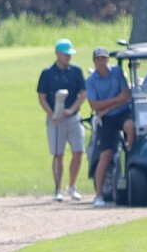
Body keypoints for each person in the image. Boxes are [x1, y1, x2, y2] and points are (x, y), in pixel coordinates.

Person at [35, 39, 86, 201]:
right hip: (55, 120)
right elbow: (42, 97)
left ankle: (72, 186)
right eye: (66, 54)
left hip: (73, 117)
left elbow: (83, 93)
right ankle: (57, 189)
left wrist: (71, 109)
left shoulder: (76, 71)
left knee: (78, 151)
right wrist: (52, 114)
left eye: (70, 54)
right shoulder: (47, 73)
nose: (68, 57)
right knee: (58, 154)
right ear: (57, 54)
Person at [85, 46, 133, 207]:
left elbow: (126, 95)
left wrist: (108, 107)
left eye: (104, 58)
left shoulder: (117, 72)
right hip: (106, 120)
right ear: (94, 61)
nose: (101, 61)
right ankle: (98, 194)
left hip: (121, 114)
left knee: (131, 127)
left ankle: (131, 153)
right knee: (105, 155)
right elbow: (95, 105)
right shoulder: (91, 81)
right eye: (98, 59)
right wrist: (115, 101)